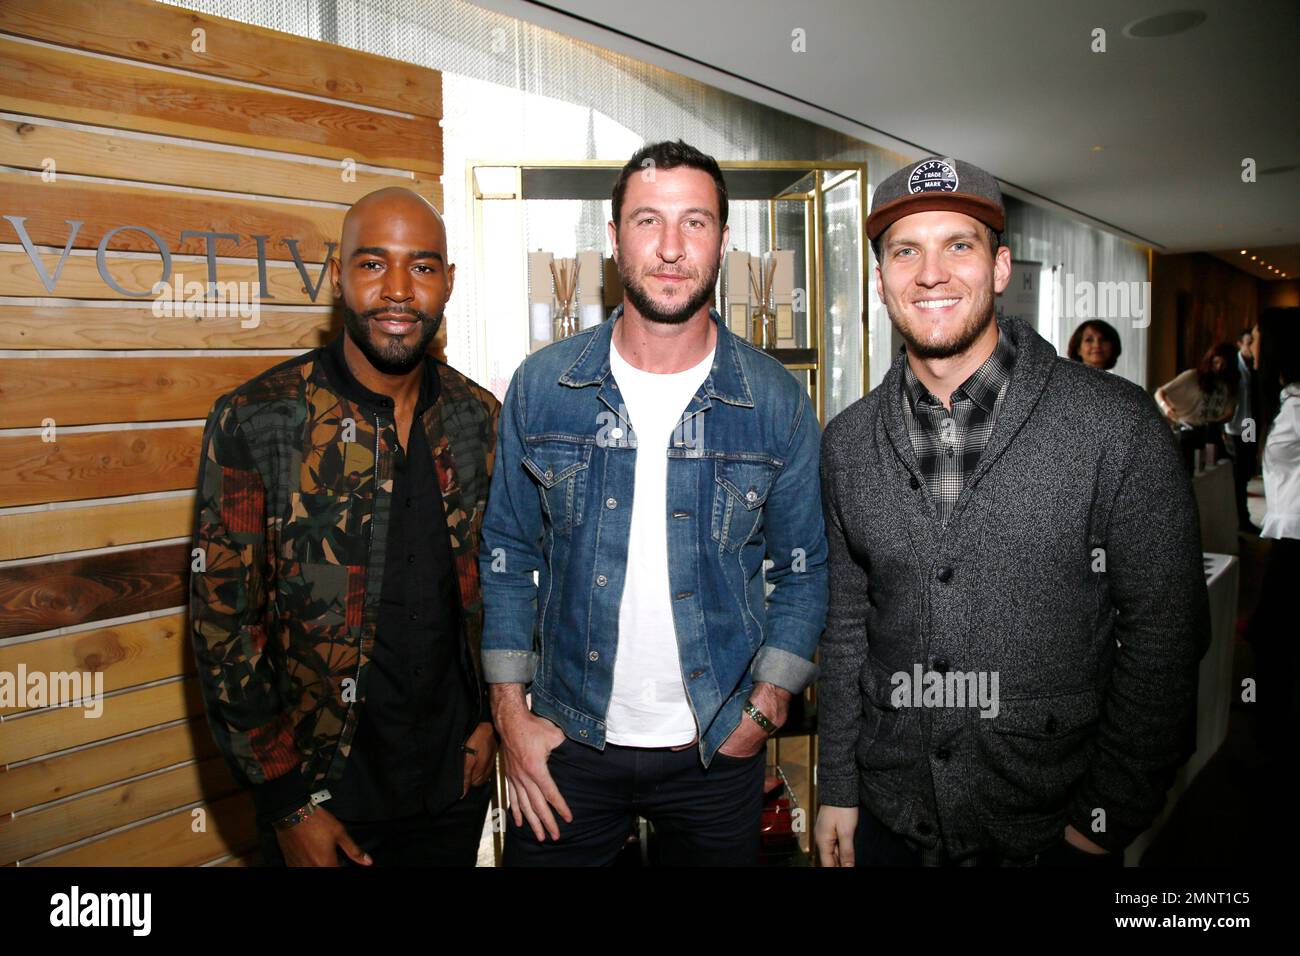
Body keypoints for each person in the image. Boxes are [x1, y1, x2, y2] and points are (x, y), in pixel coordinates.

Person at [814, 156, 1209, 867]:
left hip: (1050, 833)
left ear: (1000, 268)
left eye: (957, 245)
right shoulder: (846, 442)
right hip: (888, 822)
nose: (930, 273)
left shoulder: (1114, 425)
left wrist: (1105, 816)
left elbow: (1166, 635)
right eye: (906, 250)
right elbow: (846, 628)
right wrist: (837, 785)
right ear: (880, 281)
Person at [478, 140, 827, 866]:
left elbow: (804, 570)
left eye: (694, 223)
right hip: (565, 742)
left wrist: (765, 707)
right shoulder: (544, 388)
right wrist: (510, 714)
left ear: (724, 242)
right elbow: (507, 557)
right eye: (647, 221)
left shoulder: (774, 402)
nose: (671, 248)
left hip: (717, 749)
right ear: (613, 240)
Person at [190, 188, 500, 866]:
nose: (397, 290)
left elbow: (501, 589)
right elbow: (223, 627)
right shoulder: (258, 421)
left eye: (421, 267)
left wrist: (492, 717)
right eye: (372, 264)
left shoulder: (479, 419)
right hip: (325, 801)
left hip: (454, 787)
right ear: (338, 277)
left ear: (448, 282)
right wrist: (284, 805)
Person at [1248, 307, 1300, 753]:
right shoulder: (1289, 395)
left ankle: (1274, 746)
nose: (1252, 342)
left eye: (1258, 334)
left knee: (1272, 638)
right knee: (1272, 637)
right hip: (1286, 535)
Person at [1155, 342, 1240, 470]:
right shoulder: (1194, 376)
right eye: (1216, 362)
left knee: (1217, 471)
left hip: (1211, 431)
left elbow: (1229, 413)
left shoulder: (1228, 384)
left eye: (1223, 364)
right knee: (1187, 471)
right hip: (1189, 430)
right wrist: (1166, 407)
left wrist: (1218, 420)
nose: (1219, 367)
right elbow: (1160, 392)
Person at [1224, 326, 1261, 533]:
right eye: (1248, 343)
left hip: (1250, 424)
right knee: (1237, 474)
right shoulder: (1233, 366)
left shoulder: (1255, 367)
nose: (1250, 347)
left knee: (1247, 471)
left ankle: (1243, 516)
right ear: (1240, 345)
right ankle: (1241, 518)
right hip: (1233, 426)